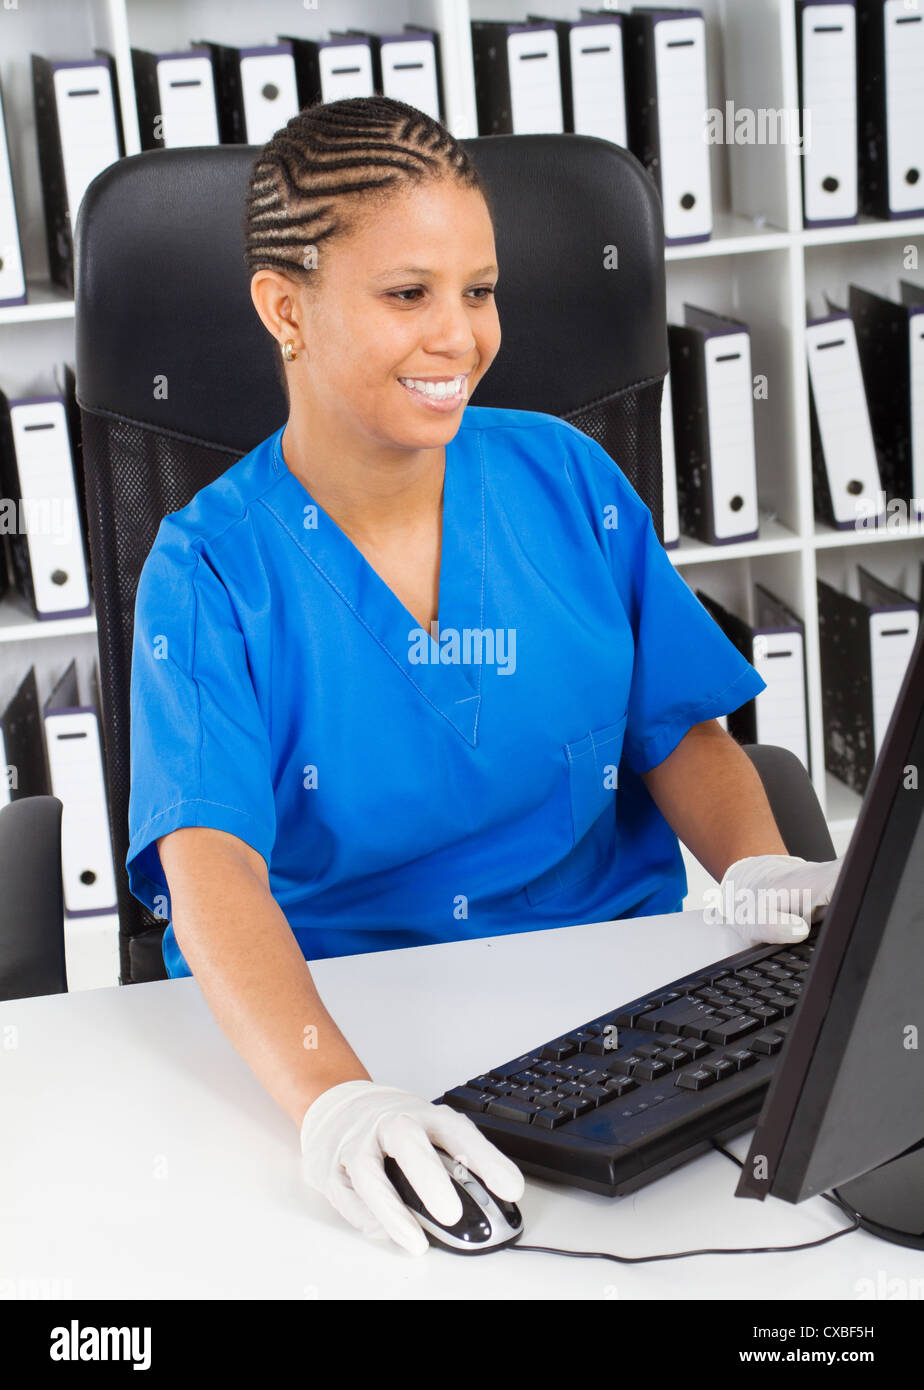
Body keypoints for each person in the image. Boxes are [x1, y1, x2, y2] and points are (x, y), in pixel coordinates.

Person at [125, 96, 842, 1255]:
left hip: (620, 1019)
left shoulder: (567, 474)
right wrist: (337, 1102)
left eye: (480, 289)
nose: (459, 335)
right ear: (284, 307)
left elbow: (674, 730)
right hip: (354, 1030)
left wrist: (755, 864)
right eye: (408, 294)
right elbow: (212, 881)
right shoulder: (209, 571)